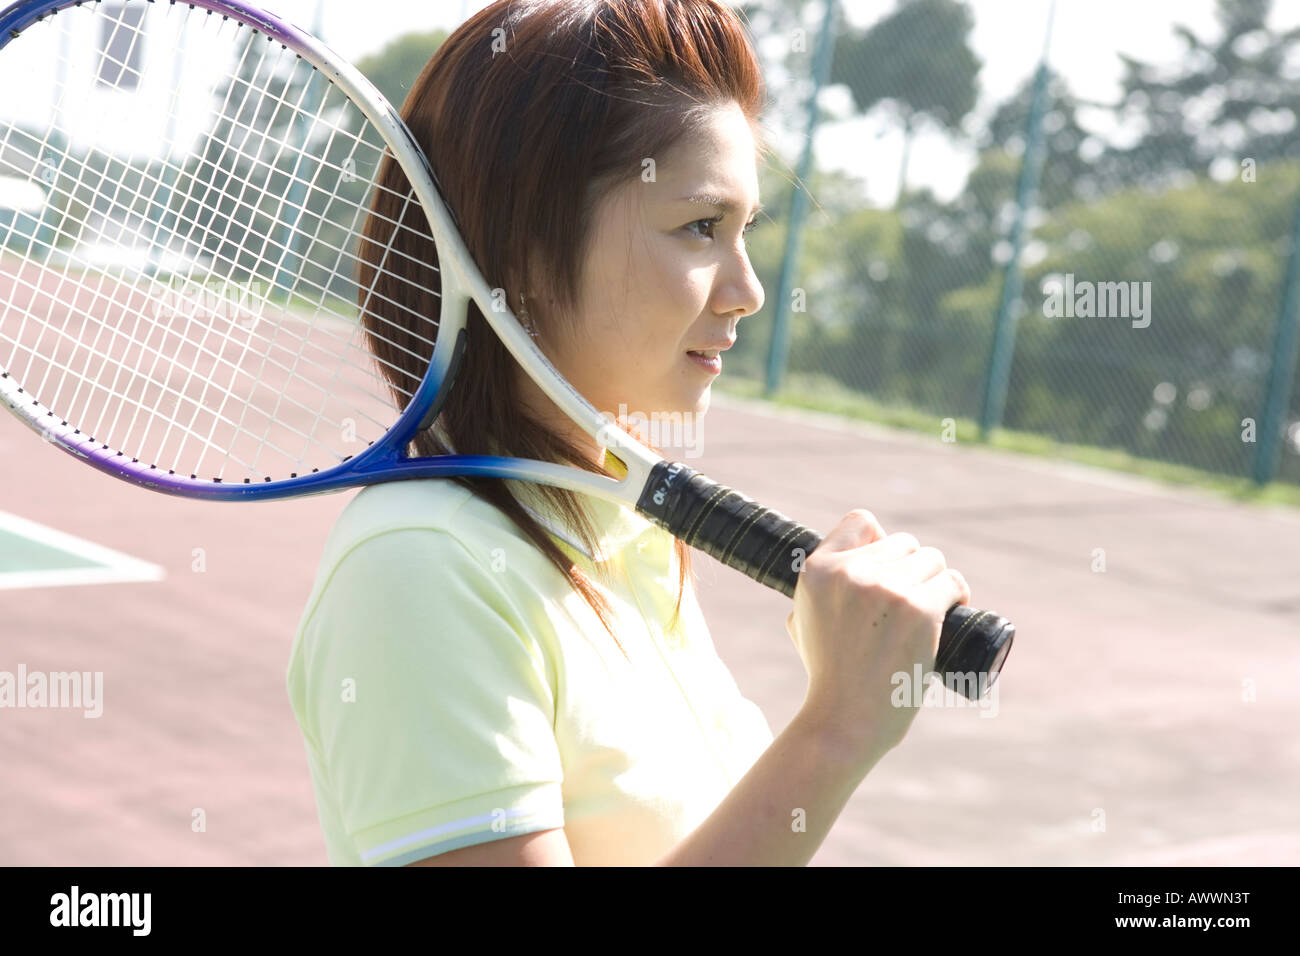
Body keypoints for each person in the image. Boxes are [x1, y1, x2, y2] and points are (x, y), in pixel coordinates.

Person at [285, 0, 971, 867]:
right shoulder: (418, 566)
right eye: (699, 228)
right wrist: (834, 732)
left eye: (744, 230)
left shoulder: (615, 525)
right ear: (525, 253)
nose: (749, 290)